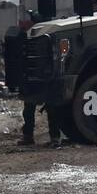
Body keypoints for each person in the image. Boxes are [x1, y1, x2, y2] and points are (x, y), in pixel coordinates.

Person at [17, 10, 63, 148]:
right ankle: (30, 136)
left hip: (44, 76)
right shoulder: (31, 36)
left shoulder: (46, 37)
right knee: (31, 109)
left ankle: (54, 137)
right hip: (35, 76)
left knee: (50, 109)